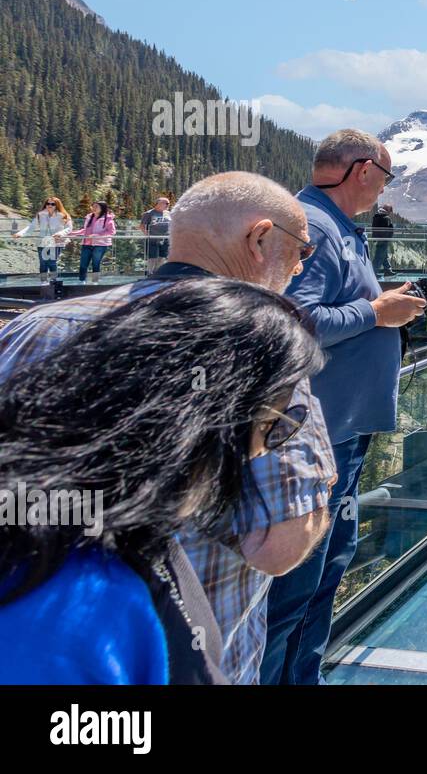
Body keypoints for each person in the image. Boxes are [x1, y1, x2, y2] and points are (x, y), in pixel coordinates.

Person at [0, 171, 337, 684]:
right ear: (260, 237)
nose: (298, 266)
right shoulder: (257, 352)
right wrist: (323, 487)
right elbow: (276, 543)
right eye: (301, 250)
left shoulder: (33, 326)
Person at [262, 128, 426, 685]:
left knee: (327, 567)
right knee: (302, 584)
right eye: (385, 177)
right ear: (362, 171)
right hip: (321, 437)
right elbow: (295, 320)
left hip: (339, 432)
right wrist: (378, 314)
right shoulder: (318, 230)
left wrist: (380, 306)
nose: (384, 189)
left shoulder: (331, 226)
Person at [12, 197, 73, 282]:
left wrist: (60, 233)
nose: (49, 206)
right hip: (42, 242)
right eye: (48, 203)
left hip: (56, 242)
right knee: (43, 264)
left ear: (57, 205)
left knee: (51, 262)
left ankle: (53, 281)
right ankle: (43, 282)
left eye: (52, 204)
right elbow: (31, 227)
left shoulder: (63, 215)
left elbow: (69, 228)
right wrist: (21, 233)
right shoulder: (40, 215)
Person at [68, 200, 117, 284]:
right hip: (86, 244)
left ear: (102, 208)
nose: (93, 208)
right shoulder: (89, 217)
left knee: (95, 263)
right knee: (83, 264)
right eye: (93, 206)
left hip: (100, 245)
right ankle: (82, 281)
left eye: (96, 207)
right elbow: (85, 231)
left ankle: (95, 282)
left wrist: (97, 235)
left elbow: (111, 232)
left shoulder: (108, 219)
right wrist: (72, 233)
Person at [140, 197, 172, 274]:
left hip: (165, 239)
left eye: (169, 203)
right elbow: (142, 226)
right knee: (152, 257)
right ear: (158, 203)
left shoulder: (168, 213)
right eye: (166, 203)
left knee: (162, 257)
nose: (168, 205)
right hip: (153, 239)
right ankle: (149, 272)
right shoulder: (149, 213)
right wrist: (147, 235)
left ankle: (158, 272)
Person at [371, 203, 394, 276]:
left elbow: (374, 228)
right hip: (384, 239)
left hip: (378, 238)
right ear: (387, 210)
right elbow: (388, 229)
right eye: (390, 211)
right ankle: (373, 273)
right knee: (379, 256)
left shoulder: (376, 216)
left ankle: (388, 270)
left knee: (384, 255)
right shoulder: (386, 218)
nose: (390, 213)